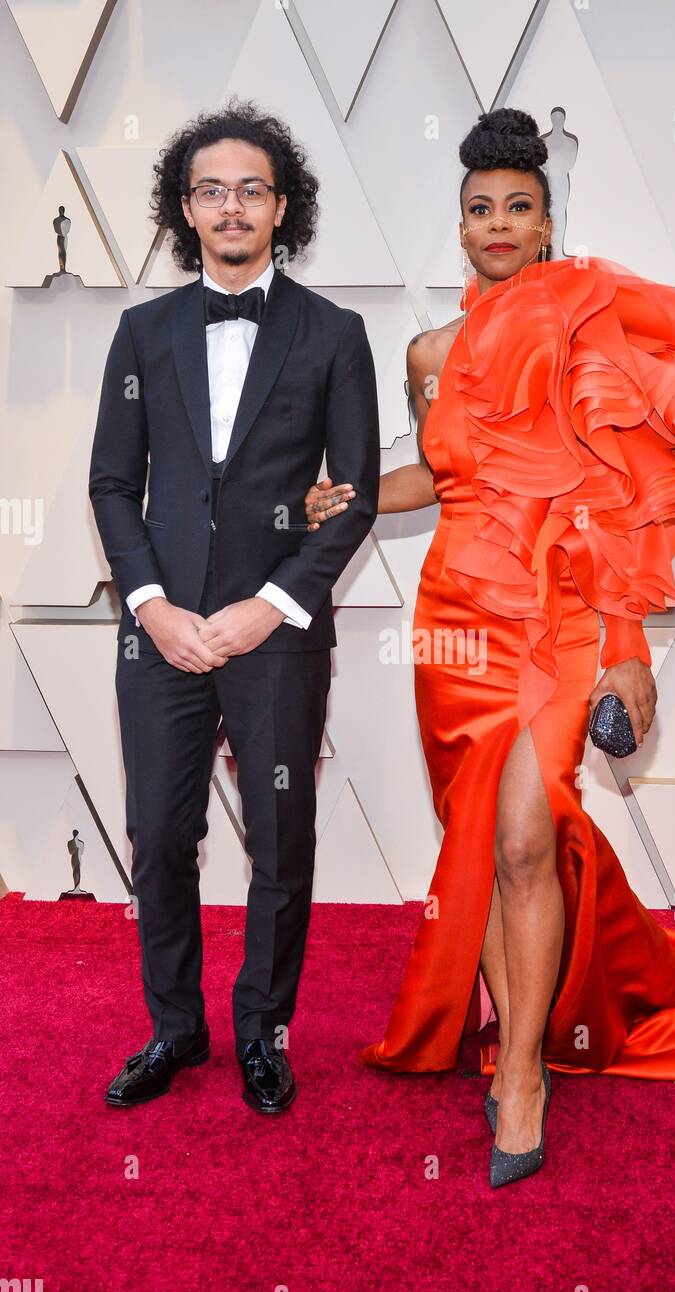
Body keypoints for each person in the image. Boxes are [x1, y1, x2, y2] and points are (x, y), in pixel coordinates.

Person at [305, 108, 675, 1187]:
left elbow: (631, 496)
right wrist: (357, 490)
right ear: (457, 226)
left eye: (515, 206)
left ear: (547, 220)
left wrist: (628, 649)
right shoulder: (425, 350)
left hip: (552, 615)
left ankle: (522, 1080)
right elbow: (436, 476)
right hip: (452, 614)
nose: (495, 223)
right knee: (480, 847)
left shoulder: (584, 323)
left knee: (524, 838)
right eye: (476, 208)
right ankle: (512, 1029)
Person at [89, 98, 380, 1114]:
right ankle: (175, 1027)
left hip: (275, 637)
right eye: (210, 189)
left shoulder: (334, 334)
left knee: (279, 836)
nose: (230, 206)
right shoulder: (140, 332)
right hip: (162, 632)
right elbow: (112, 486)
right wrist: (153, 604)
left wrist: (270, 605)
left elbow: (357, 495)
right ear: (185, 207)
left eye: (250, 188)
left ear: (280, 205)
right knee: (159, 837)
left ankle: (264, 1028)